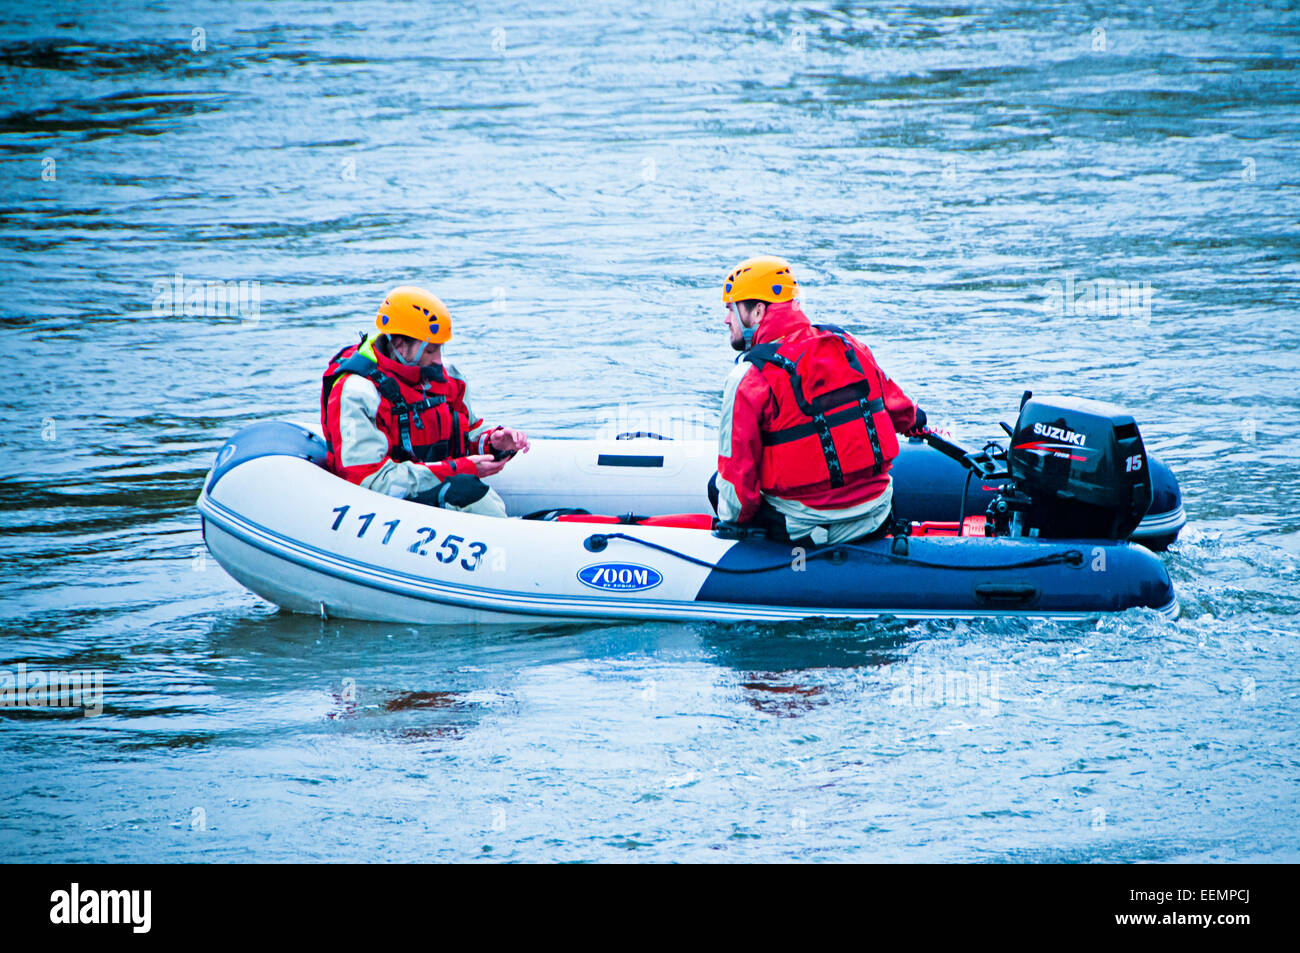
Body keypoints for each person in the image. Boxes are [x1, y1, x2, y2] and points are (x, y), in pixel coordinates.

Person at [710, 256, 927, 546]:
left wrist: (732, 526)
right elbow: (904, 414)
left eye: (731, 309)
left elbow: (738, 494)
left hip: (807, 528)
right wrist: (916, 420)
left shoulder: (749, 377)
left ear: (758, 311)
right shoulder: (849, 344)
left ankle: (765, 575)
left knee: (716, 487)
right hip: (877, 512)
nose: (726, 319)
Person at [320, 286, 528, 516]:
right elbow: (370, 481)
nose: (438, 360)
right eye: (430, 349)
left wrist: (494, 443)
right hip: (383, 508)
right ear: (399, 344)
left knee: (468, 489)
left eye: (440, 348)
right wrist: (459, 470)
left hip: (431, 490)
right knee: (466, 492)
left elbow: (467, 436)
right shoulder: (357, 391)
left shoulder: (448, 378)